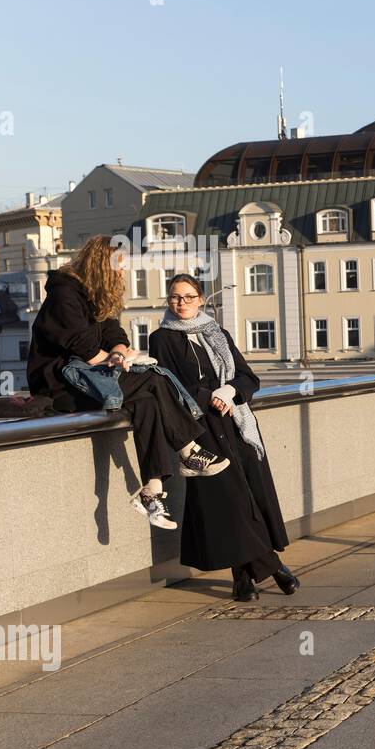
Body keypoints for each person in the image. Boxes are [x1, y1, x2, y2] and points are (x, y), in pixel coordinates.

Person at [27, 236, 229, 530]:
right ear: (101, 266)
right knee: (153, 378)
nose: (121, 274)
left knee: (147, 401)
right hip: (59, 386)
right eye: (118, 268)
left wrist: (120, 353)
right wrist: (114, 361)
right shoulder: (64, 295)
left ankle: (152, 491)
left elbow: (113, 333)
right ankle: (189, 451)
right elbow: (80, 344)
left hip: (92, 379)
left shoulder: (95, 294)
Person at [149, 274, 298, 602]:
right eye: (175, 298)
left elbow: (248, 377)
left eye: (188, 297)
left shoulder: (217, 332)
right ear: (168, 302)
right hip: (201, 432)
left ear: (200, 299)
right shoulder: (162, 339)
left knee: (247, 500)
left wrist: (230, 392)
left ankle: (242, 582)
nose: (182, 303)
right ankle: (274, 567)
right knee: (229, 502)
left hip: (238, 427)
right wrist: (208, 397)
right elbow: (170, 387)